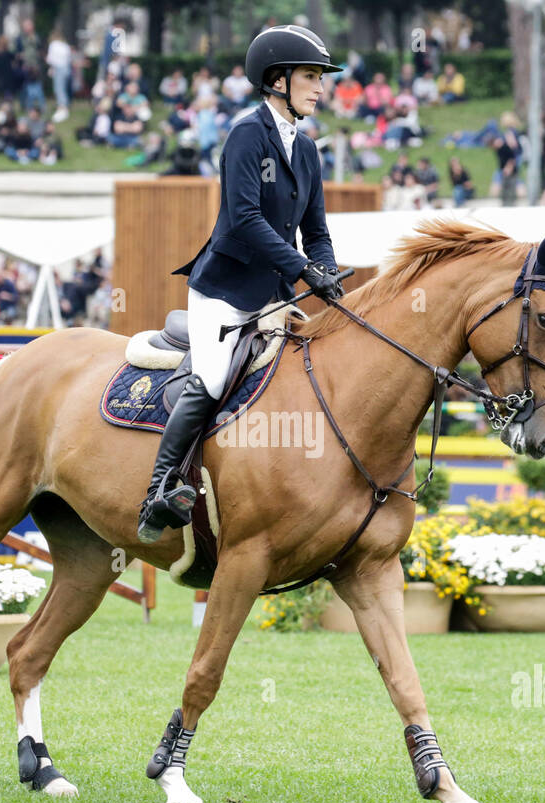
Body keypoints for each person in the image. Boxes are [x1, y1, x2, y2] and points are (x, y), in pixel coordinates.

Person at [139, 25, 344, 543]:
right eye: (311, 77)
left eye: (321, 78)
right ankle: (157, 490)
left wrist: (326, 272)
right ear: (278, 80)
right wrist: (303, 269)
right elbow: (246, 220)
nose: (320, 88)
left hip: (274, 300)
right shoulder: (247, 136)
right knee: (210, 378)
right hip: (224, 294)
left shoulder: (309, 151)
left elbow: (316, 230)